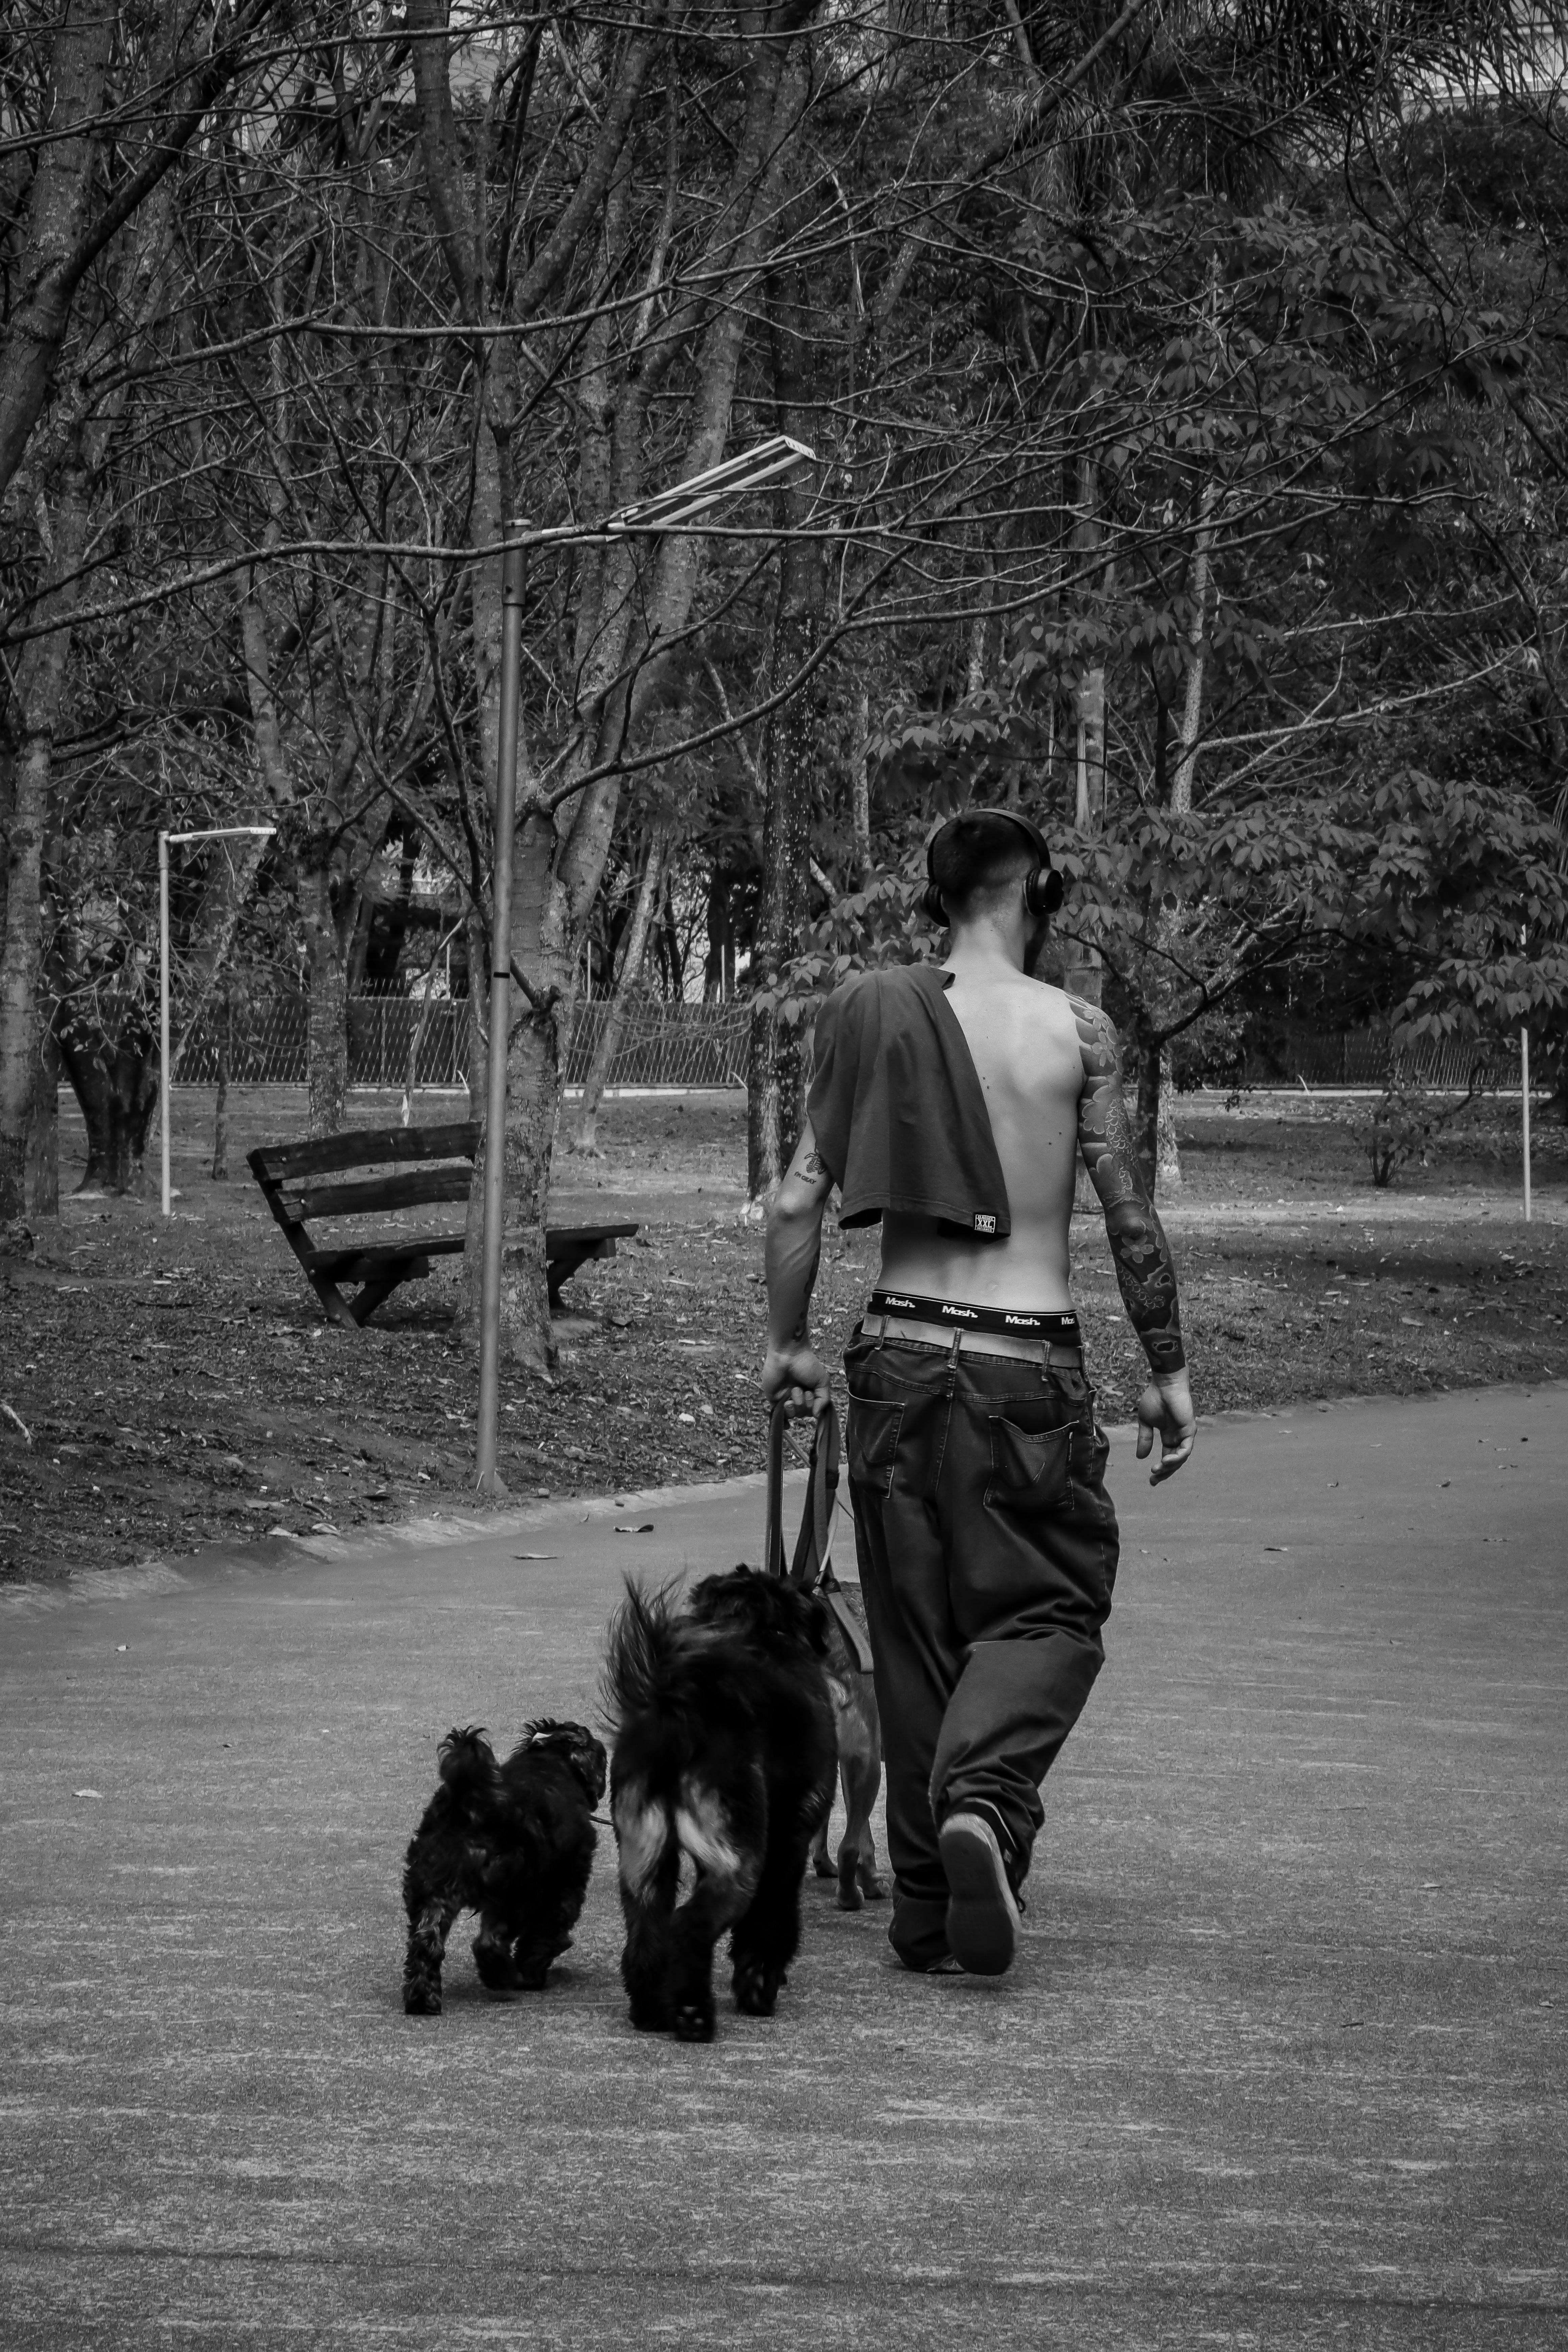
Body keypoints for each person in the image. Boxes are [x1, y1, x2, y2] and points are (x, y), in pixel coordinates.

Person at [761, 809, 1196, 1978]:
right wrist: (1165, 1370)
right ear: (1037, 893)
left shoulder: (873, 1011)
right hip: (1028, 1366)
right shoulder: (1078, 1032)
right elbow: (1128, 1216)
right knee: (1050, 1609)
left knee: (910, 1640)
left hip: (896, 1356)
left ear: (939, 902)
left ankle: (921, 1907)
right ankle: (988, 1806)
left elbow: (798, 1201)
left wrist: (790, 1349)